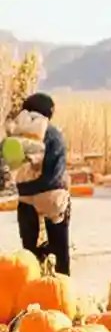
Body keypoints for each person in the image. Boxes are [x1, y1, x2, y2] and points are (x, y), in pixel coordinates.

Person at [13, 93, 71, 275]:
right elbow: (56, 172)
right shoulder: (53, 134)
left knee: (30, 253)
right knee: (59, 251)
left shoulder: (16, 133)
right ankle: (60, 287)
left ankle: (33, 288)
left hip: (25, 198)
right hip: (51, 198)